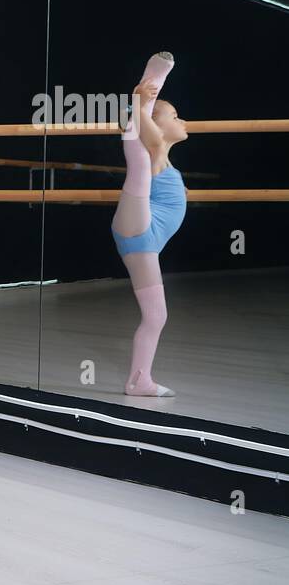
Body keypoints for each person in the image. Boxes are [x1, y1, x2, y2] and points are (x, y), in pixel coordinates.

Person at [110, 51, 188, 397]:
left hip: (147, 241)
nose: (183, 120)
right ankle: (145, 93)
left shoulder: (166, 161)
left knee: (156, 316)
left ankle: (139, 380)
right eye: (175, 115)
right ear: (156, 125)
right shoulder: (156, 152)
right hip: (140, 226)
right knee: (140, 161)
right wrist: (143, 107)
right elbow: (151, 140)